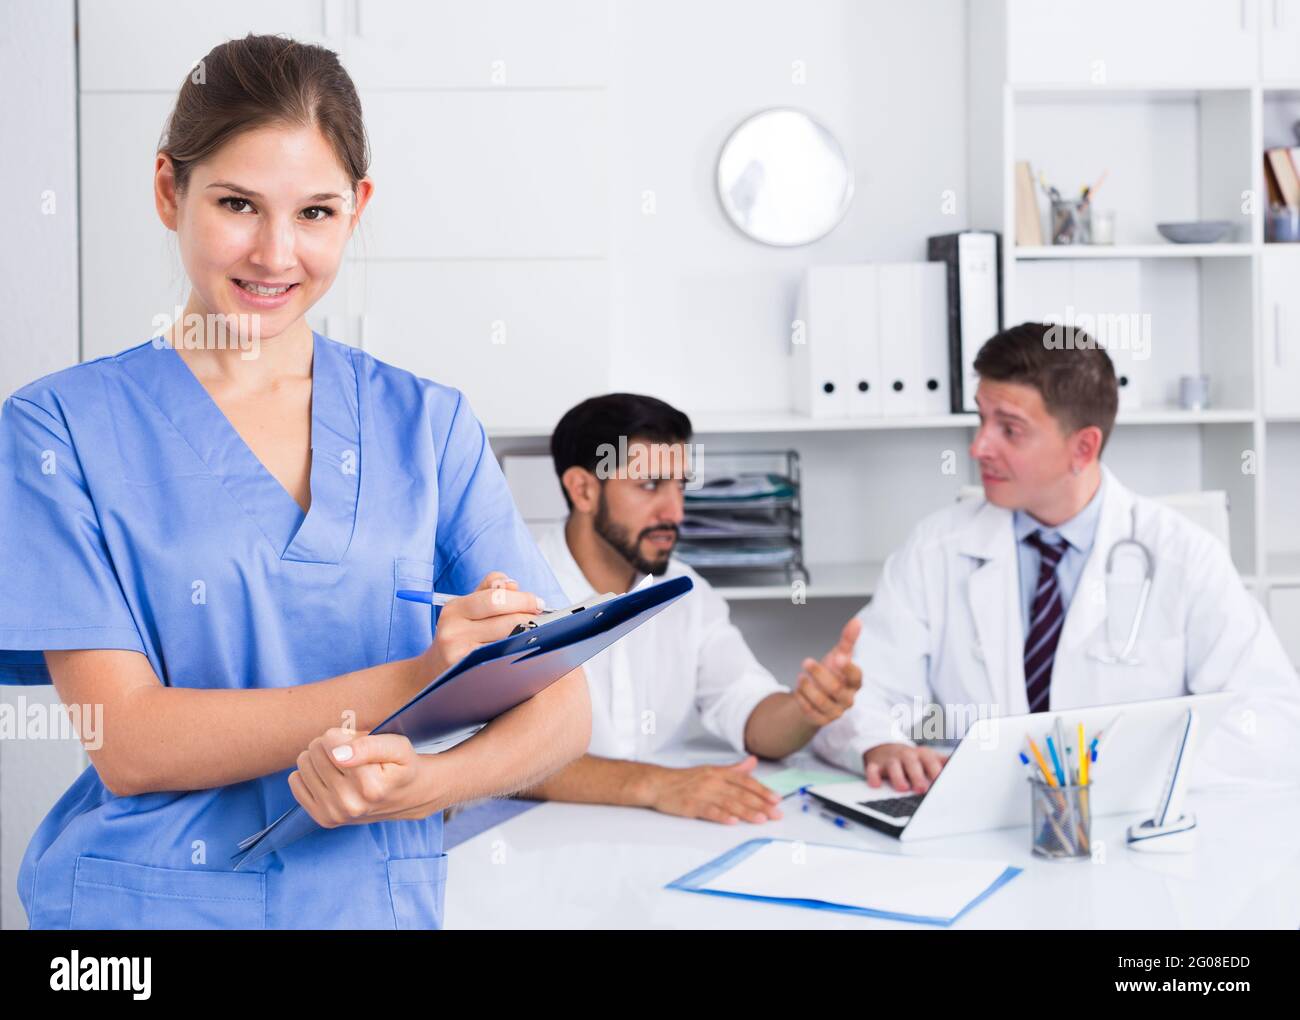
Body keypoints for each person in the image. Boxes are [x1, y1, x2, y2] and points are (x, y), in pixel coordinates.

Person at [0, 34, 589, 929]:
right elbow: (128, 742)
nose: (276, 254)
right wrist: (421, 678)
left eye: (315, 213)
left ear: (357, 208)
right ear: (170, 190)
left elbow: (560, 703)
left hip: (370, 904)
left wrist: (424, 785)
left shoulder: (426, 427)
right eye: (238, 203)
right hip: (142, 919)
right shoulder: (60, 429)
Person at [812, 322, 1300, 793]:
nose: (979, 446)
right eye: (982, 420)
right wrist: (878, 744)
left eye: (1010, 429)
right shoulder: (935, 549)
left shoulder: (1185, 556)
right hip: (973, 829)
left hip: (1125, 831)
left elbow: (1272, 722)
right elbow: (861, 695)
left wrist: (1123, 772)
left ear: (1083, 447)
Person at [521, 393, 863, 825]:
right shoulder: (515, 596)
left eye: (680, 486)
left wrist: (807, 709)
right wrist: (656, 784)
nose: (675, 513)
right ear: (584, 490)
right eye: (650, 486)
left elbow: (751, 713)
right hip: (538, 850)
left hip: (663, 841)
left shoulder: (686, 592)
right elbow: (491, 756)